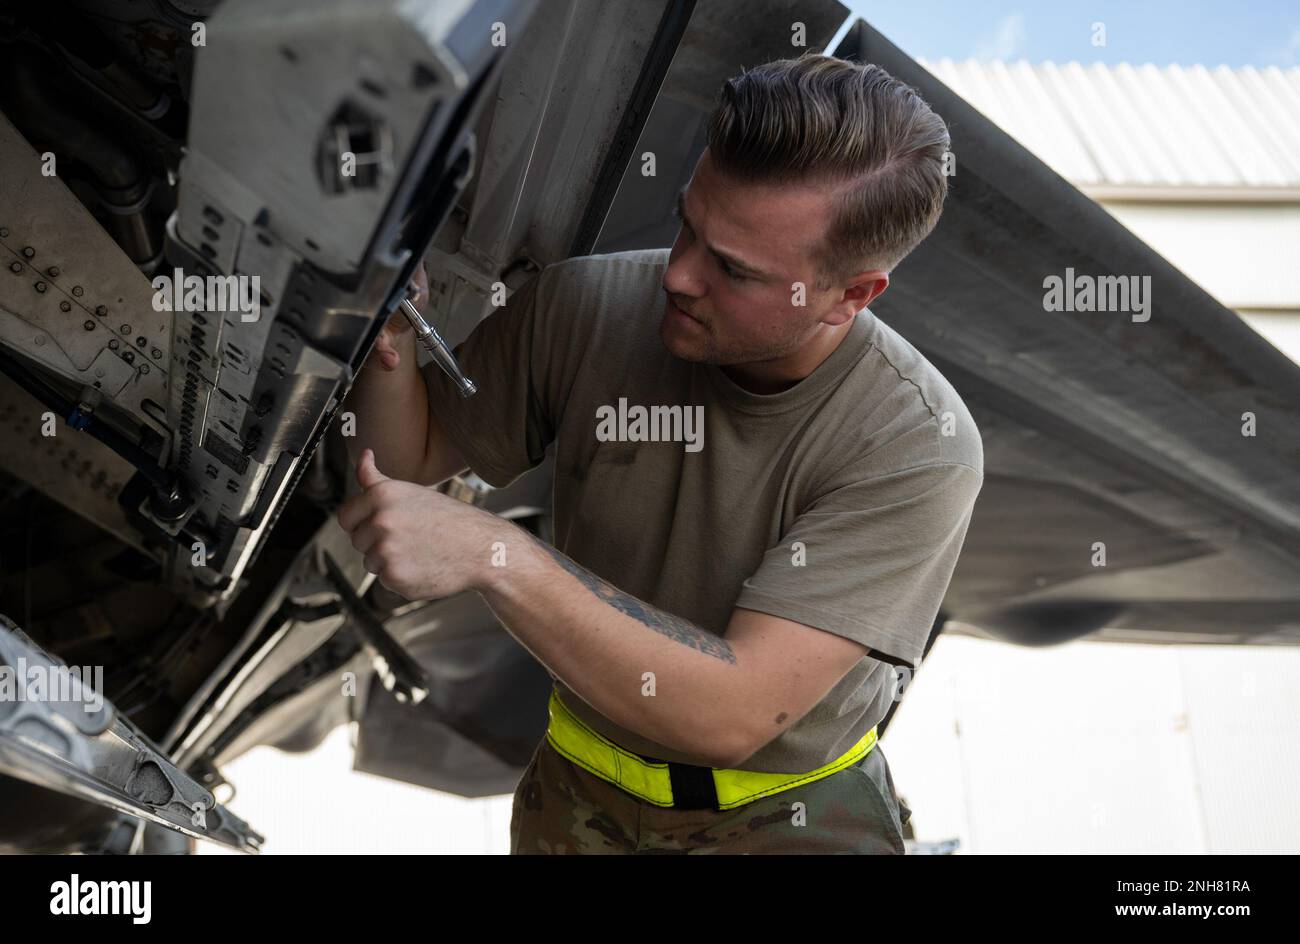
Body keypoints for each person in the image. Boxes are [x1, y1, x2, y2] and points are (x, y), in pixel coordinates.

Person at [338, 52, 983, 854]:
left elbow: (732, 715)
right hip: (574, 795)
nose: (677, 275)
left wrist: (498, 554)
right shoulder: (586, 306)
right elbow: (405, 470)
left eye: (734, 269)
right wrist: (386, 340)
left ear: (852, 294)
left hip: (788, 821)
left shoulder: (913, 441)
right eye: (687, 225)